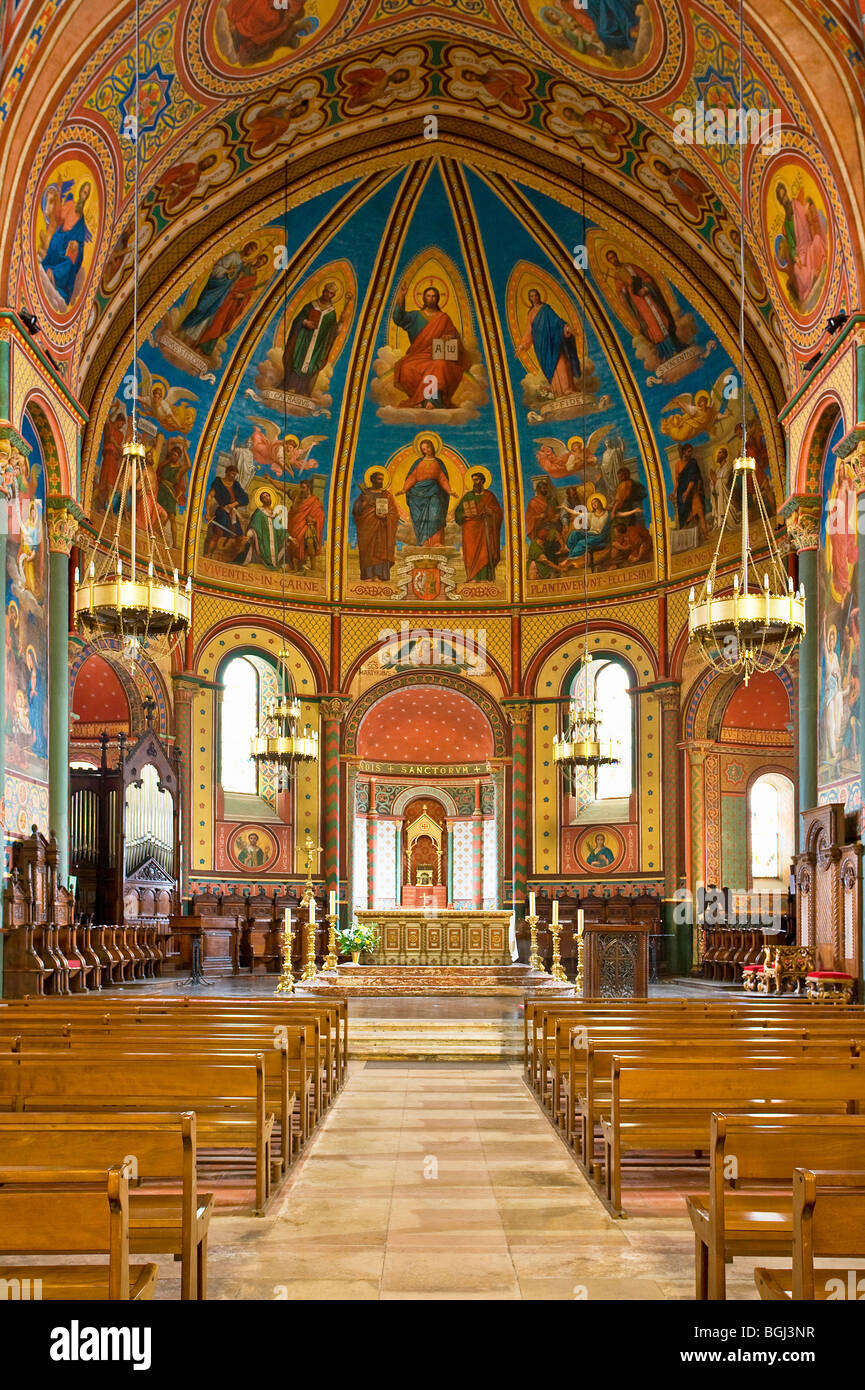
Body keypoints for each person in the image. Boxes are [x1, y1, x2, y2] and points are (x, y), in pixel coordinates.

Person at [392, 283, 467, 409]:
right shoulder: (415, 316)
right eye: (428, 296)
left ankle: (431, 401)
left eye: (433, 296)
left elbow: (454, 335)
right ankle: (421, 400)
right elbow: (398, 318)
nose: (431, 298)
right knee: (406, 367)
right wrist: (401, 297)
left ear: (437, 298)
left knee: (439, 364)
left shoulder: (443, 318)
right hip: (417, 356)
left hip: (437, 355)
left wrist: (450, 337)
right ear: (424, 298)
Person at [605, 249, 684, 360]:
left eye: (614, 256)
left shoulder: (630, 267)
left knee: (662, 319)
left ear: (617, 256)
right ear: (609, 262)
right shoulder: (616, 277)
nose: (613, 260)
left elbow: (647, 277)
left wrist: (646, 288)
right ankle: (665, 354)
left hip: (647, 298)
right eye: (610, 259)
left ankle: (676, 347)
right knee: (652, 327)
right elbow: (621, 297)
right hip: (639, 306)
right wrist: (624, 289)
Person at [282, 281, 344, 396]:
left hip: (318, 344)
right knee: (297, 359)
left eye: (331, 293)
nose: (327, 295)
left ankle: (302, 390)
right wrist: (305, 322)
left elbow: (332, 331)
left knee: (311, 364)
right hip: (303, 339)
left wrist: (340, 324)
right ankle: (290, 386)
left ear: (333, 296)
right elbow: (297, 320)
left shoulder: (331, 313)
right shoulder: (311, 305)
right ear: (323, 291)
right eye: (326, 292)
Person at [518, 287, 581, 395]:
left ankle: (567, 389)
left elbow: (557, 321)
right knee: (552, 369)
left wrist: (567, 328)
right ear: (529, 298)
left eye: (536, 295)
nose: (534, 298)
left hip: (553, 341)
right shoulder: (531, 313)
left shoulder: (546, 309)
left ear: (539, 295)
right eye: (532, 296)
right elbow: (529, 332)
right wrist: (523, 345)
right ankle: (558, 392)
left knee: (561, 364)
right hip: (541, 345)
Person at [401, 439, 452, 546]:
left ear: (432, 447)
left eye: (427, 448)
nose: (426, 451)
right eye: (423, 449)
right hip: (418, 494)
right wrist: (404, 489)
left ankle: (437, 541)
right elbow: (412, 477)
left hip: (434, 492)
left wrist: (449, 490)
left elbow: (442, 478)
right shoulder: (418, 463)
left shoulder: (438, 463)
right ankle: (424, 542)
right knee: (421, 519)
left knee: (436, 514)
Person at [454, 471, 503, 582]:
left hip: (484, 527)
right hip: (470, 530)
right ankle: (472, 577)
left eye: (476, 480)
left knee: (485, 553)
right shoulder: (468, 496)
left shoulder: (489, 496)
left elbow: (498, 512)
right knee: (471, 553)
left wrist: (490, 511)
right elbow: (458, 513)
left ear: (482, 481)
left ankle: (485, 577)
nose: (474, 483)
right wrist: (464, 514)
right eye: (473, 480)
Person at [353, 471, 399, 581]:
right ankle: (368, 575)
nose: (381, 482)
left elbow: (394, 514)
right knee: (367, 550)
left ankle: (379, 575)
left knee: (380, 550)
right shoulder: (365, 494)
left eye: (382, 479)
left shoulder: (386, 495)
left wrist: (385, 517)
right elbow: (356, 510)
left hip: (382, 528)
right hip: (367, 526)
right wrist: (364, 502)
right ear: (372, 480)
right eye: (379, 479)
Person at [205, 462, 248, 556]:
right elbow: (209, 496)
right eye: (232, 473)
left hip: (233, 514)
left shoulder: (236, 485)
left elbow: (245, 498)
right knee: (218, 533)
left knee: (239, 536)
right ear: (227, 472)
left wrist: (234, 504)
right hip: (222, 512)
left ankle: (234, 558)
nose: (234, 476)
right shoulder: (218, 482)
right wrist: (207, 513)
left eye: (235, 475)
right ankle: (208, 553)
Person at [284, 479, 325, 572]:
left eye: (303, 488)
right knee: (294, 545)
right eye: (301, 487)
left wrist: (313, 520)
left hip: (308, 527)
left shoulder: (314, 501)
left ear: (308, 488)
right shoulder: (297, 497)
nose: (302, 490)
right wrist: (270, 480)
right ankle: (296, 567)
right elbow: (285, 489)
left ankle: (313, 567)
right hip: (295, 526)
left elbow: (321, 516)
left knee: (310, 543)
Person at [672, 443, 707, 539]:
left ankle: (705, 534)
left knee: (700, 513)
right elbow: (677, 481)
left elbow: (694, 479)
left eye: (691, 451)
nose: (690, 453)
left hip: (692, 492)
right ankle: (696, 538)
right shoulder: (678, 464)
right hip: (682, 494)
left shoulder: (692, 463)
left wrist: (688, 492)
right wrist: (674, 493)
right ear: (684, 452)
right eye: (689, 451)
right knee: (688, 518)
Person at [241, 490, 285, 568]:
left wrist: (289, 537)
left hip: (274, 542)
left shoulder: (275, 514)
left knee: (284, 544)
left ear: (270, 497)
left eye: (267, 496)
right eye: (263, 497)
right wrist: (249, 535)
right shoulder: (259, 512)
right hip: (263, 540)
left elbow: (281, 529)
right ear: (261, 500)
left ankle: (275, 564)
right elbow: (254, 524)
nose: (266, 498)